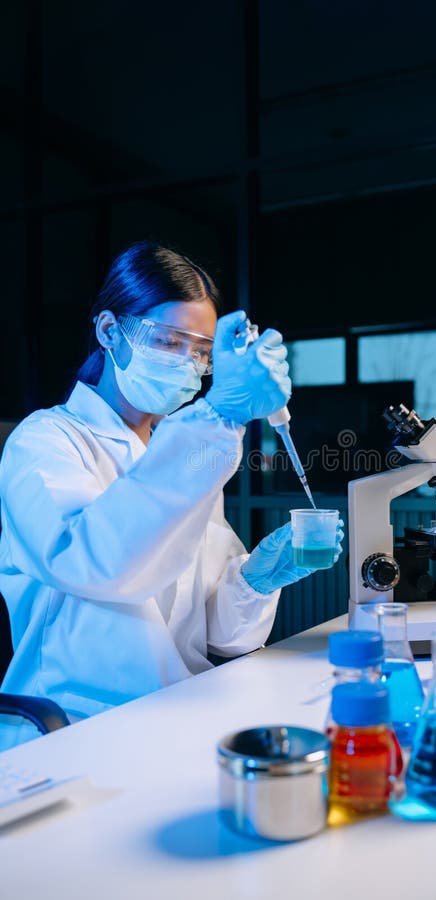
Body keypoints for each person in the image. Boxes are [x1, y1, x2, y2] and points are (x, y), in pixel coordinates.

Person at [0, 241, 343, 737]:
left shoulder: (181, 450)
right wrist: (219, 415)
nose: (188, 363)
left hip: (179, 708)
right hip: (74, 724)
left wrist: (257, 580)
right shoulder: (46, 441)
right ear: (109, 330)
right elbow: (98, 564)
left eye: (202, 351)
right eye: (168, 341)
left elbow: (218, 634)